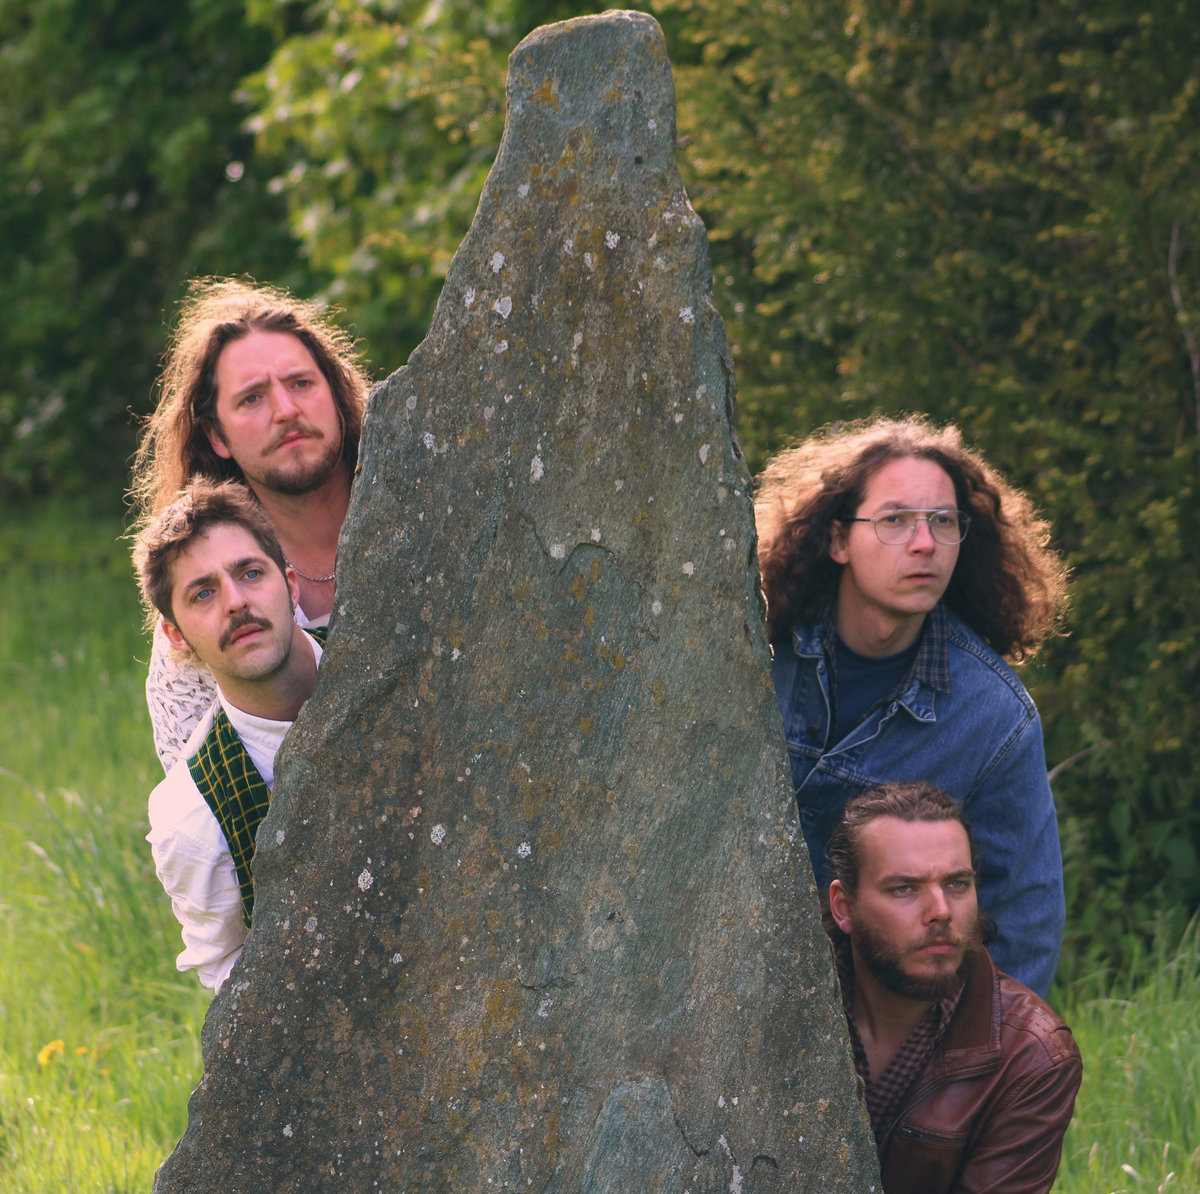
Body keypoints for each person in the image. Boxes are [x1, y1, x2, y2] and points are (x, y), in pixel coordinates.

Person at [755, 414, 1069, 996]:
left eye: (943, 522)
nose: (924, 543)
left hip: (886, 1017)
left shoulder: (993, 716)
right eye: (895, 520)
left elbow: (1025, 923)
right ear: (838, 539)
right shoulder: (754, 650)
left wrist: (978, 1076)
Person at [129, 276, 369, 771]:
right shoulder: (207, 614)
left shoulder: (429, 508)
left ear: (335, 393)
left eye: (301, 383)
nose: (286, 411)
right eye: (252, 399)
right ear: (217, 435)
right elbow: (201, 808)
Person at [826, 782, 1081, 1194]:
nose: (941, 911)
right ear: (844, 907)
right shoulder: (776, 991)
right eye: (904, 888)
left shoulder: (1032, 1058)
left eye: (957, 884)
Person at [132, 479, 323, 992]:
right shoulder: (191, 818)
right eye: (203, 593)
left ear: (291, 584)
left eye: (250, 573)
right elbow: (233, 985)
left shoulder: (399, 659)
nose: (236, 602)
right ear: (176, 638)